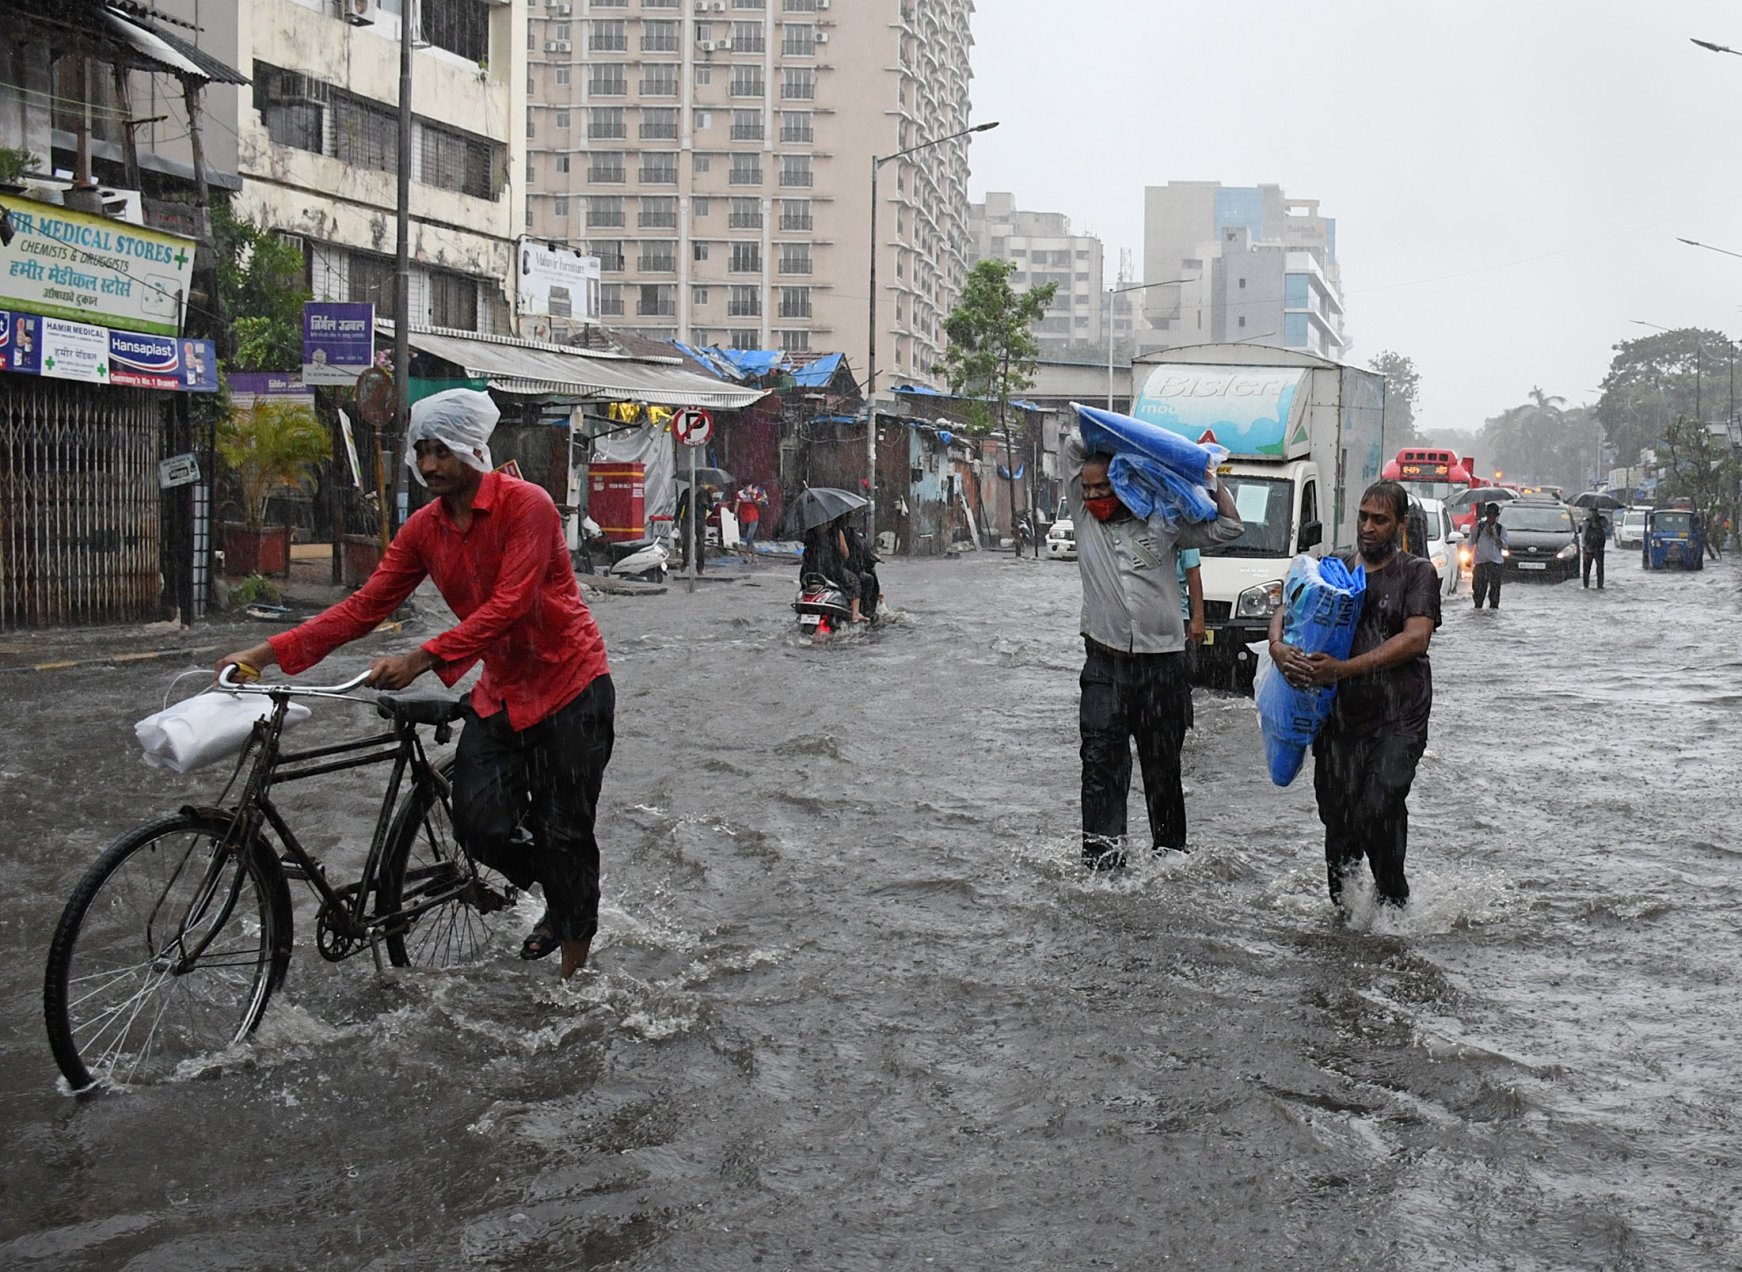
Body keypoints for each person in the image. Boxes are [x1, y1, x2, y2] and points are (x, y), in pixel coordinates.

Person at [216, 390, 613, 980]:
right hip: (503, 691)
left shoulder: (526, 505)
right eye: (421, 452)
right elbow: (363, 607)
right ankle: (563, 891)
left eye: (441, 451)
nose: (428, 465)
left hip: (571, 686)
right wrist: (265, 654)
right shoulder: (424, 530)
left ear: (471, 448)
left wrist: (423, 658)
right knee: (476, 824)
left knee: (566, 830)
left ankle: (572, 981)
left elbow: (511, 603)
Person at [1067, 437, 1243, 870]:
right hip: (1104, 664)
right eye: (1087, 489)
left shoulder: (1164, 522)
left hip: (1163, 667)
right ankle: (1102, 865)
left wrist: (1206, 473)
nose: (1093, 496)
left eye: (1103, 488)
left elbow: (1230, 527)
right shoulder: (1085, 521)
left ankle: (1170, 862)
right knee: (1100, 767)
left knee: (1162, 769)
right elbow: (1074, 441)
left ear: (1125, 483)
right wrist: (1137, 442)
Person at [1268, 480, 1441, 910]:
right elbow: (1286, 609)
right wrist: (1277, 648)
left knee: (1379, 804)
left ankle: (1393, 907)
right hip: (1340, 719)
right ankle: (1345, 922)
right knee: (1338, 820)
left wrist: (1342, 669)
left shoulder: (1417, 573)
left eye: (1380, 520)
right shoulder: (1335, 566)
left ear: (1400, 525)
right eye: (1363, 517)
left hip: (1398, 718)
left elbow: (1416, 638)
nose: (1367, 527)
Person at [800, 513, 866, 623]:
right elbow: (845, 552)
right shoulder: (836, 531)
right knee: (855, 582)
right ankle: (855, 614)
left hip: (808, 571)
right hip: (831, 571)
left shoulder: (810, 532)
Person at [1469, 502, 1507, 609]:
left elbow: (1504, 546)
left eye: (1493, 515)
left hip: (1495, 564)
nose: (1491, 518)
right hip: (1480, 563)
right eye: (1489, 515)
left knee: (1494, 593)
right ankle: (1478, 611)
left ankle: (1493, 612)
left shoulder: (1501, 529)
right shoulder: (1479, 528)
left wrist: (1494, 535)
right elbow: (1471, 542)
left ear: (1496, 516)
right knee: (1478, 592)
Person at [1581, 507, 1609, 589]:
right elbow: (1583, 536)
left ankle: (1599, 586)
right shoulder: (1586, 522)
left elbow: (1607, 530)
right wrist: (1584, 549)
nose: (1592, 514)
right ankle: (1586, 586)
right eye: (1591, 512)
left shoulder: (1602, 521)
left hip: (1598, 549)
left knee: (1599, 569)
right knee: (1587, 570)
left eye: (1594, 512)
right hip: (1590, 549)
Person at [735, 483, 767, 551]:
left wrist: (753, 498)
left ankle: (748, 552)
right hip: (744, 517)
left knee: (749, 535)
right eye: (745, 487)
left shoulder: (756, 493)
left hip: (754, 517)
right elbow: (737, 504)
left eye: (748, 487)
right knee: (747, 536)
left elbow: (759, 505)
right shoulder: (740, 494)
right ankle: (752, 553)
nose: (746, 489)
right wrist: (735, 513)